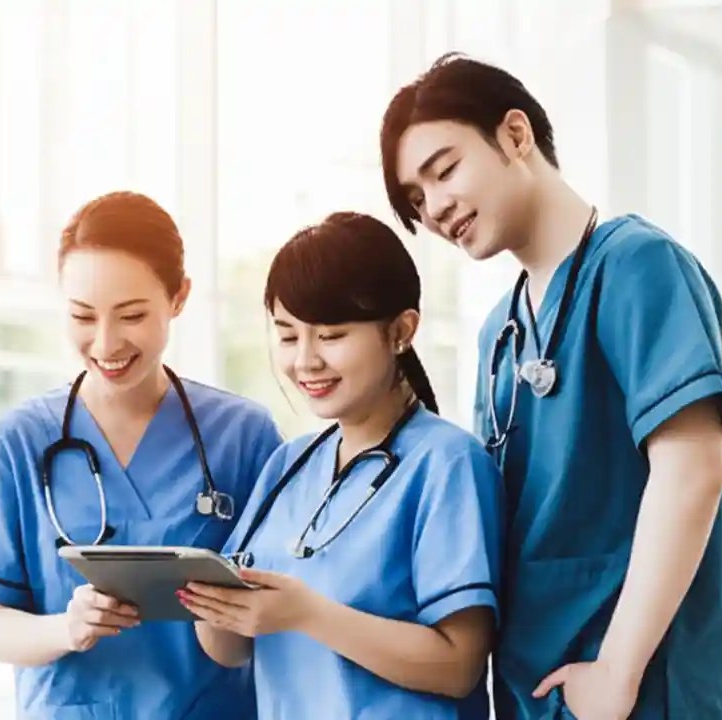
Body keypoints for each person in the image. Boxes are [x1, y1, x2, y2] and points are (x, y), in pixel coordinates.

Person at [379, 53, 722, 719]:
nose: (435, 208)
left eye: (445, 170)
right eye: (416, 198)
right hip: (535, 688)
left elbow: (693, 469)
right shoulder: (500, 335)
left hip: (641, 688)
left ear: (515, 135)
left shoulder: (637, 266)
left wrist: (617, 671)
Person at [0, 191, 282, 719]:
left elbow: (276, 615)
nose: (106, 342)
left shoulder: (243, 437)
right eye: (83, 316)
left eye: (132, 315)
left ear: (178, 298)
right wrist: (66, 628)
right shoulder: (21, 442)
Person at [183, 212, 503, 719]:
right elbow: (231, 650)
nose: (305, 361)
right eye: (288, 336)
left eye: (330, 335)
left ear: (401, 330)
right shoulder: (290, 463)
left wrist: (306, 613)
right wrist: (210, 606)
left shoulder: (447, 464)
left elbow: (459, 666)